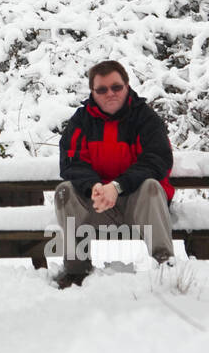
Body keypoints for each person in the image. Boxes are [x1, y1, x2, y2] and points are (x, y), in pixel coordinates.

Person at [50, 60, 175, 289]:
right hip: (97, 205)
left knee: (151, 185)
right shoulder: (81, 121)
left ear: (127, 86)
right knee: (64, 192)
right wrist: (95, 187)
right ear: (93, 92)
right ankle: (76, 271)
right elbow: (71, 162)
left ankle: (166, 263)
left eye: (116, 87)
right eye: (102, 89)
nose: (110, 93)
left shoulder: (145, 118)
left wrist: (117, 187)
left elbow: (157, 160)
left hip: (139, 206)